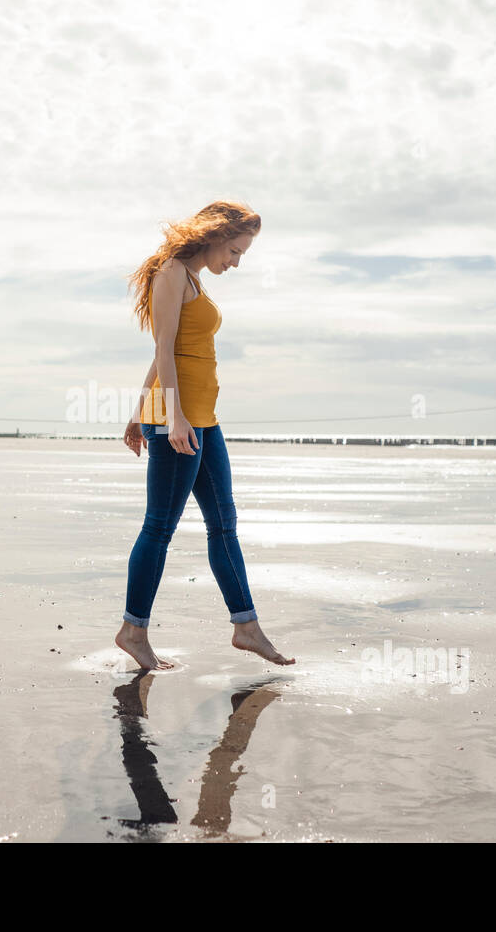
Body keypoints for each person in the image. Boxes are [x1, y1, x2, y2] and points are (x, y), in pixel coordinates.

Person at [117, 200, 295, 670]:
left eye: (241, 255)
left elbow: (166, 352)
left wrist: (140, 410)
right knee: (160, 526)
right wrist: (171, 418)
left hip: (201, 418)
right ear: (216, 235)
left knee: (224, 523)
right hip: (183, 419)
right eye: (235, 251)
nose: (235, 262)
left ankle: (246, 627)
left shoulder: (192, 278)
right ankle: (133, 631)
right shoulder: (173, 271)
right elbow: (163, 346)